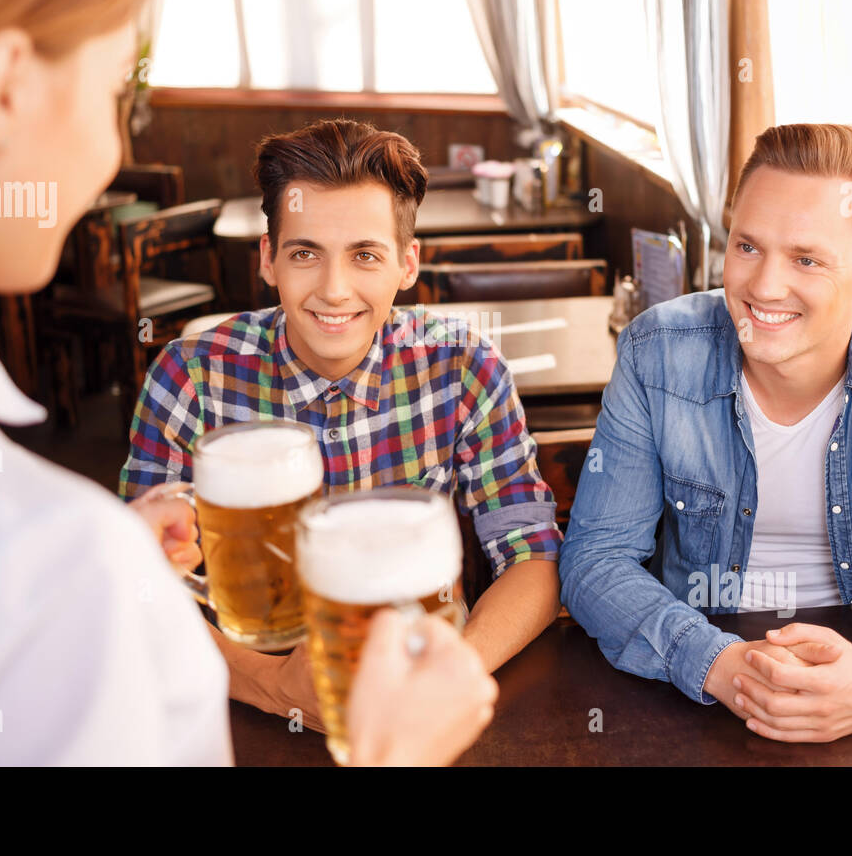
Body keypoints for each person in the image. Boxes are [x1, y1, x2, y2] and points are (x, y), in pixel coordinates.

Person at [0, 0, 495, 766]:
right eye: (114, 91)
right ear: (4, 89)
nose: (108, 144)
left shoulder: (51, 565)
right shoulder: (53, 569)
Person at [560, 123, 852, 743]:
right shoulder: (657, 350)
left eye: (806, 259)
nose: (763, 288)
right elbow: (595, 560)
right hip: (697, 690)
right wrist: (720, 664)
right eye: (747, 247)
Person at [120, 118, 563, 728]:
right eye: (305, 254)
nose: (334, 290)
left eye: (364, 255)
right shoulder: (188, 376)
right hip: (239, 700)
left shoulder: (465, 367)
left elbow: (533, 559)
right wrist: (275, 686)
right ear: (268, 259)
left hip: (424, 692)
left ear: (407, 264)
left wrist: (450, 673)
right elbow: (136, 585)